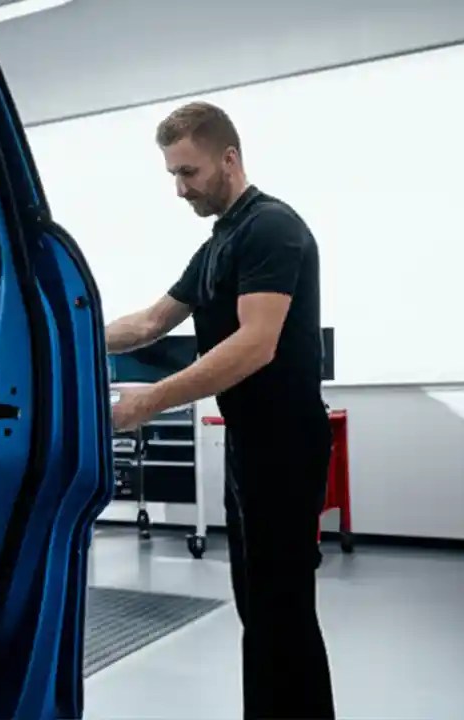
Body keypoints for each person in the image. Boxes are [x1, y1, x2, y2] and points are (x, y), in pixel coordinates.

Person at [107, 101, 335, 719]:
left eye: (189, 172)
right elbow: (153, 322)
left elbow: (255, 344)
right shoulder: (219, 242)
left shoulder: (270, 228)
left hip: (284, 443)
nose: (180, 189)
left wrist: (147, 402)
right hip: (250, 440)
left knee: (280, 610)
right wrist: (63, 337)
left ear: (229, 158)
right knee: (259, 610)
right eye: (173, 176)